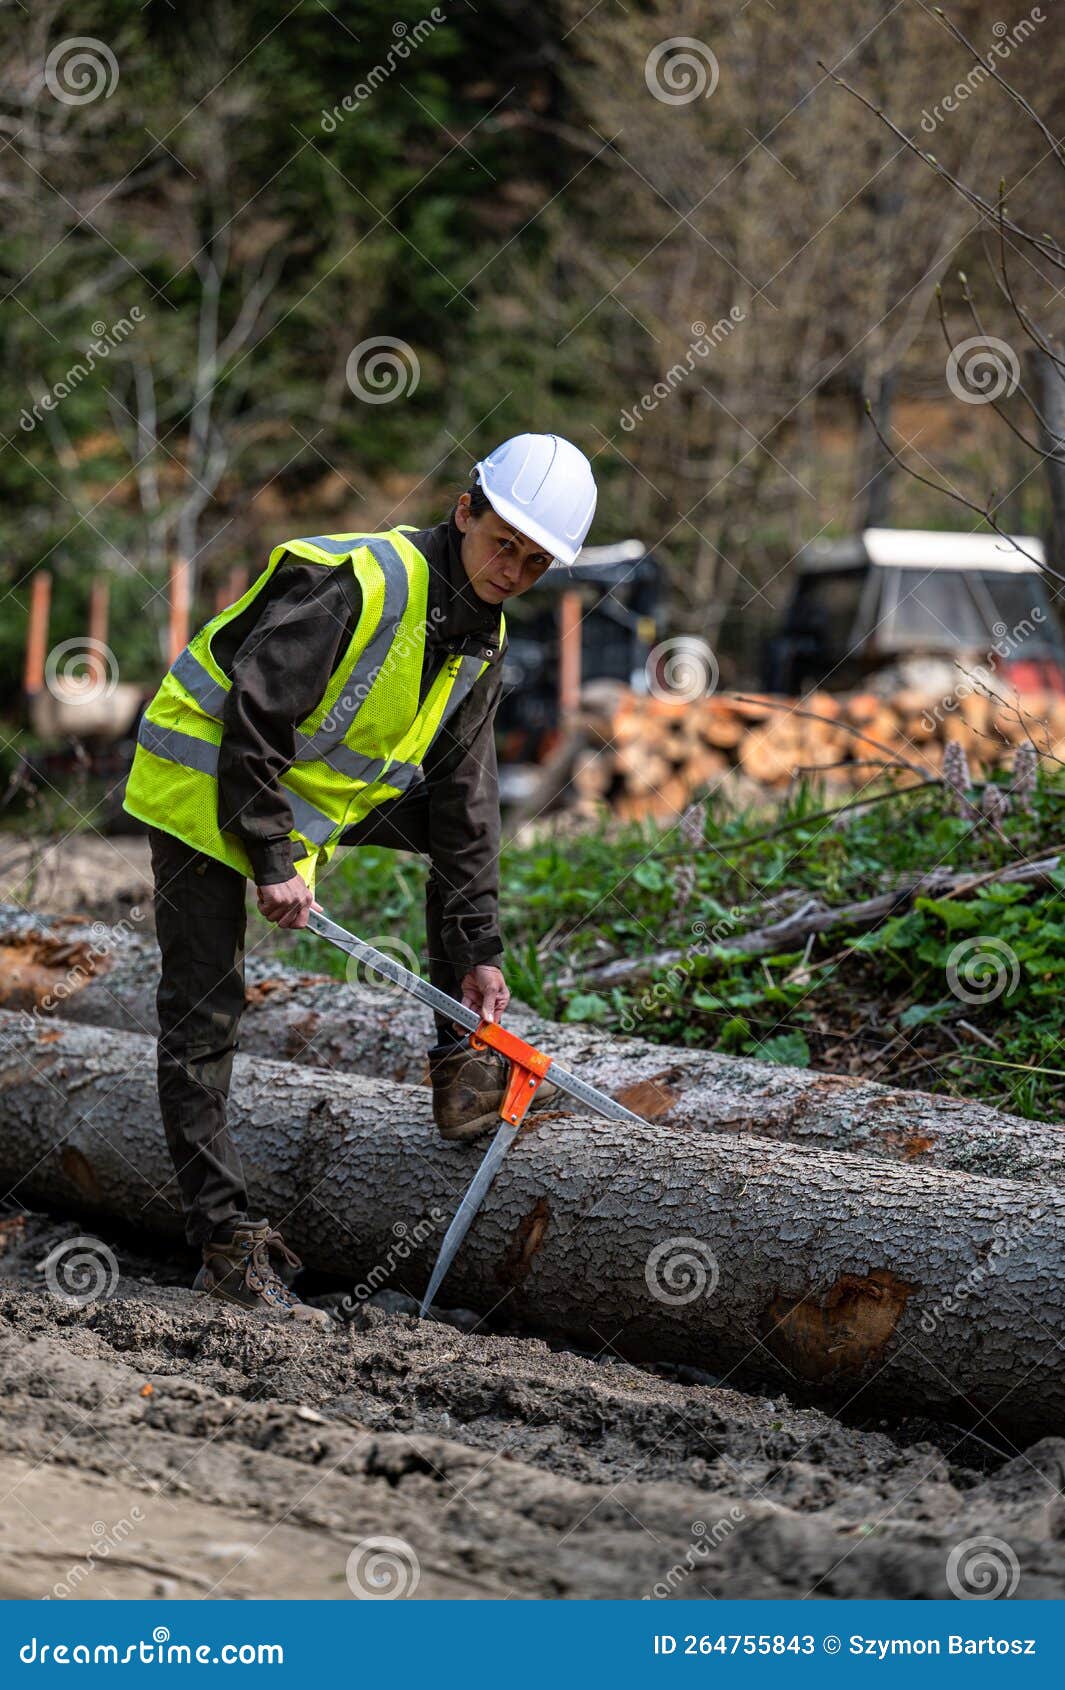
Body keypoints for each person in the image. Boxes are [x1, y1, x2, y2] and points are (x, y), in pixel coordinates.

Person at [123, 432, 598, 1325]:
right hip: (204, 785)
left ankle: (455, 1059)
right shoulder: (359, 584)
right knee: (204, 1008)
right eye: (504, 544)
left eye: (535, 562)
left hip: (305, 793)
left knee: (453, 839)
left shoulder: (479, 640)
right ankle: (223, 1243)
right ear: (464, 510)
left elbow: (464, 802)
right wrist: (270, 858)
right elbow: (253, 724)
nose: (513, 569)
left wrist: (477, 954)